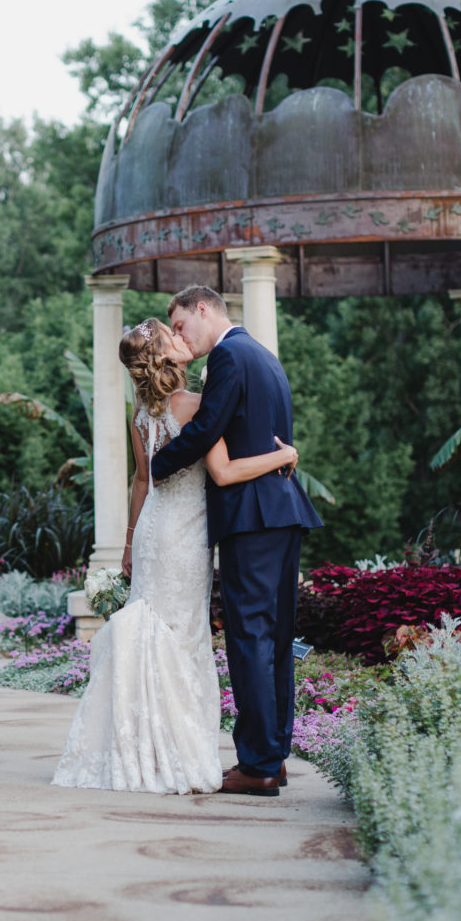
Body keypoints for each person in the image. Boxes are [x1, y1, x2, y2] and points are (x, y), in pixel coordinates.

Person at [51, 316, 299, 794]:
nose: (182, 338)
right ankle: (176, 750)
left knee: (151, 628)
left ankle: (139, 743)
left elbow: (142, 481)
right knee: (181, 640)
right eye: (173, 335)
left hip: (150, 534)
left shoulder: (141, 414)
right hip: (184, 538)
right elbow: (224, 472)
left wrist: (128, 543)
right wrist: (283, 455)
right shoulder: (194, 407)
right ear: (164, 355)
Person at [149, 286, 323, 798]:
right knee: (275, 637)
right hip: (282, 510)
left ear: (203, 309)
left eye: (180, 325)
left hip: (251, 516)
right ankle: (274, 754)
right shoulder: (264, 356)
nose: (180, 337)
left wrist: (156, 464)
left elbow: (205, 428)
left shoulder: (227, 355)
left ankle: (257, 765)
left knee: (249, 638)